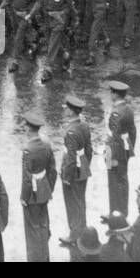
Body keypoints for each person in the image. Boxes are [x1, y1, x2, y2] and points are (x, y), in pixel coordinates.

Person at [19, 110, 56, 262]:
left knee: (32, 231)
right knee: (43, 225)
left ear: (28, 128)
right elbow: (53, 171)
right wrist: (48, 189)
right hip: (43, 189)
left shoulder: (28, 149)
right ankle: (45, 257)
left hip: (32, 194)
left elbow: (27, 178)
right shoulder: (46, 144)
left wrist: (24, 198)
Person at [59, 95, 92, 246]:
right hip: (83, 168)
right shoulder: (84, 125)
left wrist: (66, 177)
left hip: (74, 172)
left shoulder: (71, 131)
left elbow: (71, 158)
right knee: (80, 201)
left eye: (67, 108)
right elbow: (89, 149)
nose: (65, 111)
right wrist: (86, 165)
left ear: (72, 112)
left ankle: (74, 234)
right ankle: (82, 231)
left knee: (72, 203)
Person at [106, 79, 136, 217]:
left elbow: (115, 137)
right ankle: (121, 211)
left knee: (114, 182)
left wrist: (112, 157)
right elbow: (133, 131)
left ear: (115, 95)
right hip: (125, 148)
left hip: (114, 151)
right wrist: (129, 150)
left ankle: (115, 212)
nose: (110, 95)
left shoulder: (116, 112)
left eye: (111, 92)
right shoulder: (128, 108)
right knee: (122, 180)